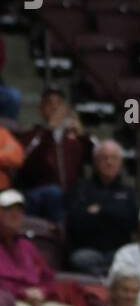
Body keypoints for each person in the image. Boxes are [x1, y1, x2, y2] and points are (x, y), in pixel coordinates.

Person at [0, 189, 81, 306]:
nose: (15, 215)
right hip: (10, 301)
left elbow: (48, 277)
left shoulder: (27, 246)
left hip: (37, 301)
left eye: (19, 211)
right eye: (7, 210)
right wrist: (22, 294)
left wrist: (42, 293)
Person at [19, 88, 93, 224]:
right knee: (54, 193)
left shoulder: (74, 138)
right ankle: (61, 234)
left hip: (71, 194)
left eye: (59, 103)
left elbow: (97, 159)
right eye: (49, 103)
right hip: (37, 194)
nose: (54, 107)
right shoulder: (32, 135)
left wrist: (83, 135)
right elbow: (25, 164)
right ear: (40, 110)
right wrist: (49, 131)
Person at [65, 139, 138, 277]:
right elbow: (75, 221)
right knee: (80, 259)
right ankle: (105, 275)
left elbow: (131, 221)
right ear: (95, 162)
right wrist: (114, 212)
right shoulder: (81, 188)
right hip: (87, 250)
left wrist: (100, 210)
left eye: (114, 158)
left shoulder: (129, 192)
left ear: (120, 163)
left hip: (118, 252)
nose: (109, 162)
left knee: (127, 260)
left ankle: (106, 274)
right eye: (104, 158)